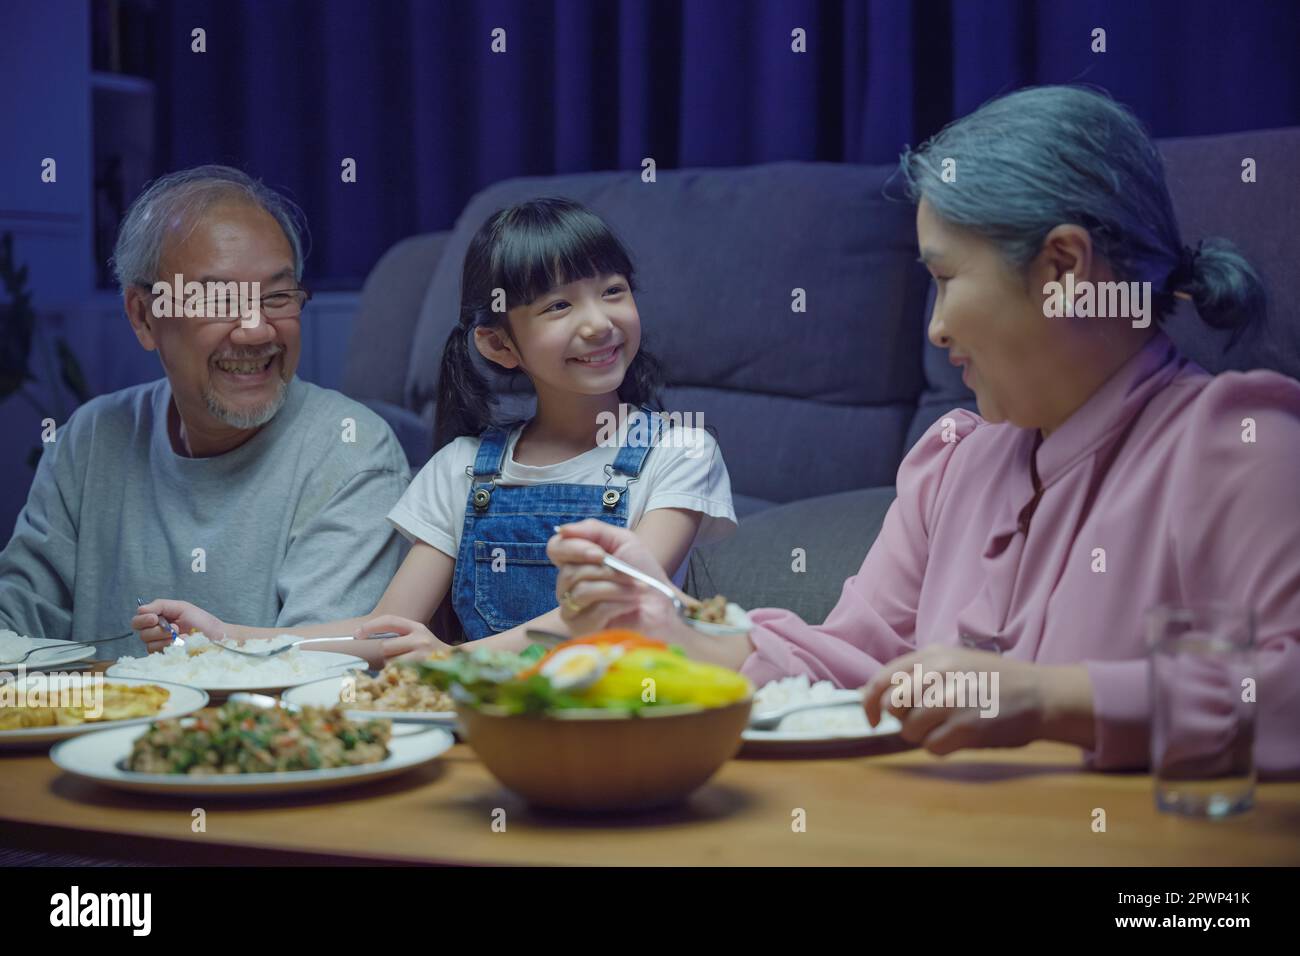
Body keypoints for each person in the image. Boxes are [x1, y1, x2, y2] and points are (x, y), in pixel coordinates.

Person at [546, 86, 1300, 777]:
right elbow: (850, 665)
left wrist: (1055, 698)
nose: (936, 329)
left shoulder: (1239, 448)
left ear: (1065, 266)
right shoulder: (953, 466)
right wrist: (657, 618)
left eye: (944, 278)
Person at [135, 198, 735, 658]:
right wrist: (230, 637)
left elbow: (615, 610)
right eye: (559, 306)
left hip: (624, 717)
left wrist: (453, 663)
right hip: (485, 729)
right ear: (500, 344)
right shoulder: (460, 470)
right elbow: (385, 634)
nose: (599, 323)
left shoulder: (679, 452)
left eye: (613, 292)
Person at [0, 165, 411, 659]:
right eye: (216, 299)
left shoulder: (352, 451)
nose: (256, 330)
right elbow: (13, 631)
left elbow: (315, 676)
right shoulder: (89, 439)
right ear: (143, 316)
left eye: (277, 296)